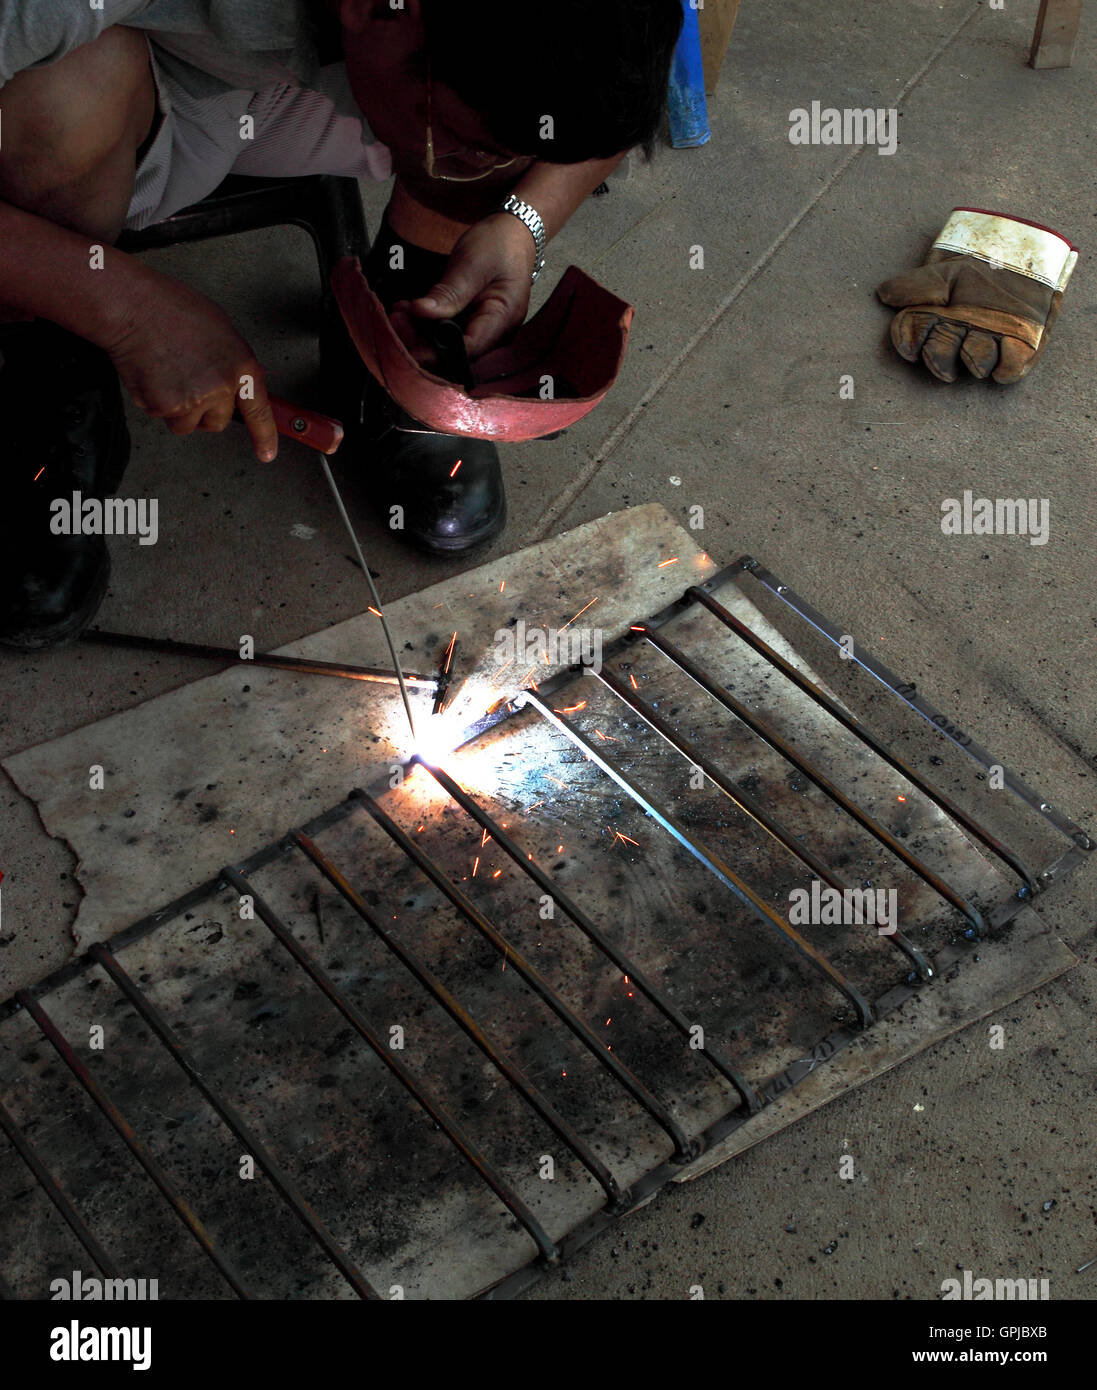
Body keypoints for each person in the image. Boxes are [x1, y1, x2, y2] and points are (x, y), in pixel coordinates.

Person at [0, 0, 683, 649]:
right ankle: (45, 365)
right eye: (477, 149)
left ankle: (405, 335)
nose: (499, 170)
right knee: (51, 113)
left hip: (337, 81)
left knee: (538, 106)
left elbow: (614, 88)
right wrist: (121, 311)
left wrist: (521, 220)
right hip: (149, 87)